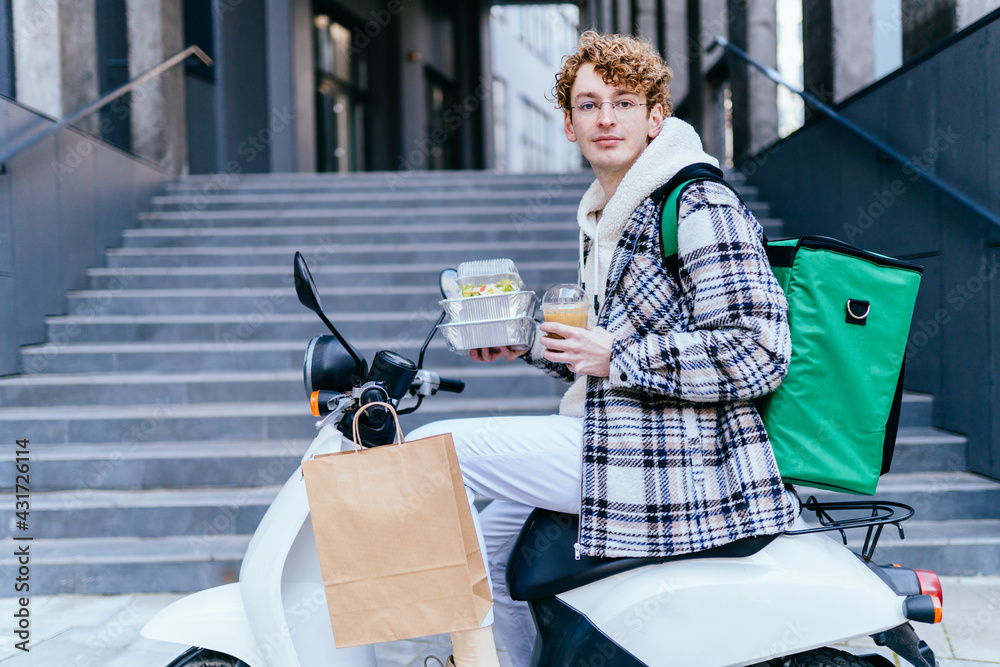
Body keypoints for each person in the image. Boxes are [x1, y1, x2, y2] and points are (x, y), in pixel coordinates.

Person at [408, 30, 798, 667]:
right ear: (568, 124)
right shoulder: (608, 213)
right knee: (488, 552)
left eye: (623, 102)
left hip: (677, 457)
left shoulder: (696, 201)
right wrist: (527, 342)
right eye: (589, 105)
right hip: (609, 433)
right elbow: (598, 348)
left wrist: (618, 357)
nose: (606, 117)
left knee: (436, 452)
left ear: (655, 117)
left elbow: (758, 351)